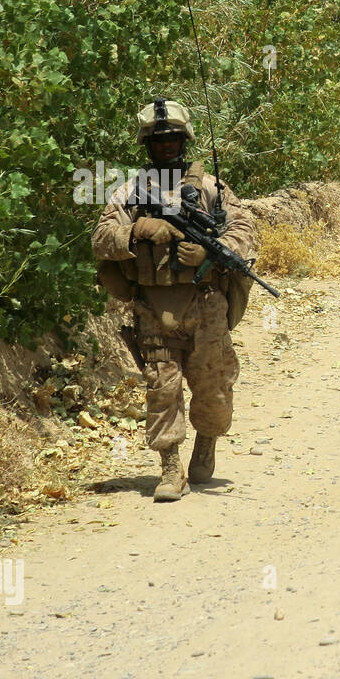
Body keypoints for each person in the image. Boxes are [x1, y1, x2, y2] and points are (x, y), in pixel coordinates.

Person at [92, 98, 256, 502]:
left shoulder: (213, 189)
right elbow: (99, 240)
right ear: (147, 144)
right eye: (158, 139)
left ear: (185, 140)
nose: (166, 145)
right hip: (153, 307)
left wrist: (208, 251)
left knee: (213, 387)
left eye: (173, 138)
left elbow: (246, 234)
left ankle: (206, 442)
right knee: (162, 388)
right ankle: (169, 467)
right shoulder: (130, 192)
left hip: (206, 305)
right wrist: (136, 231)